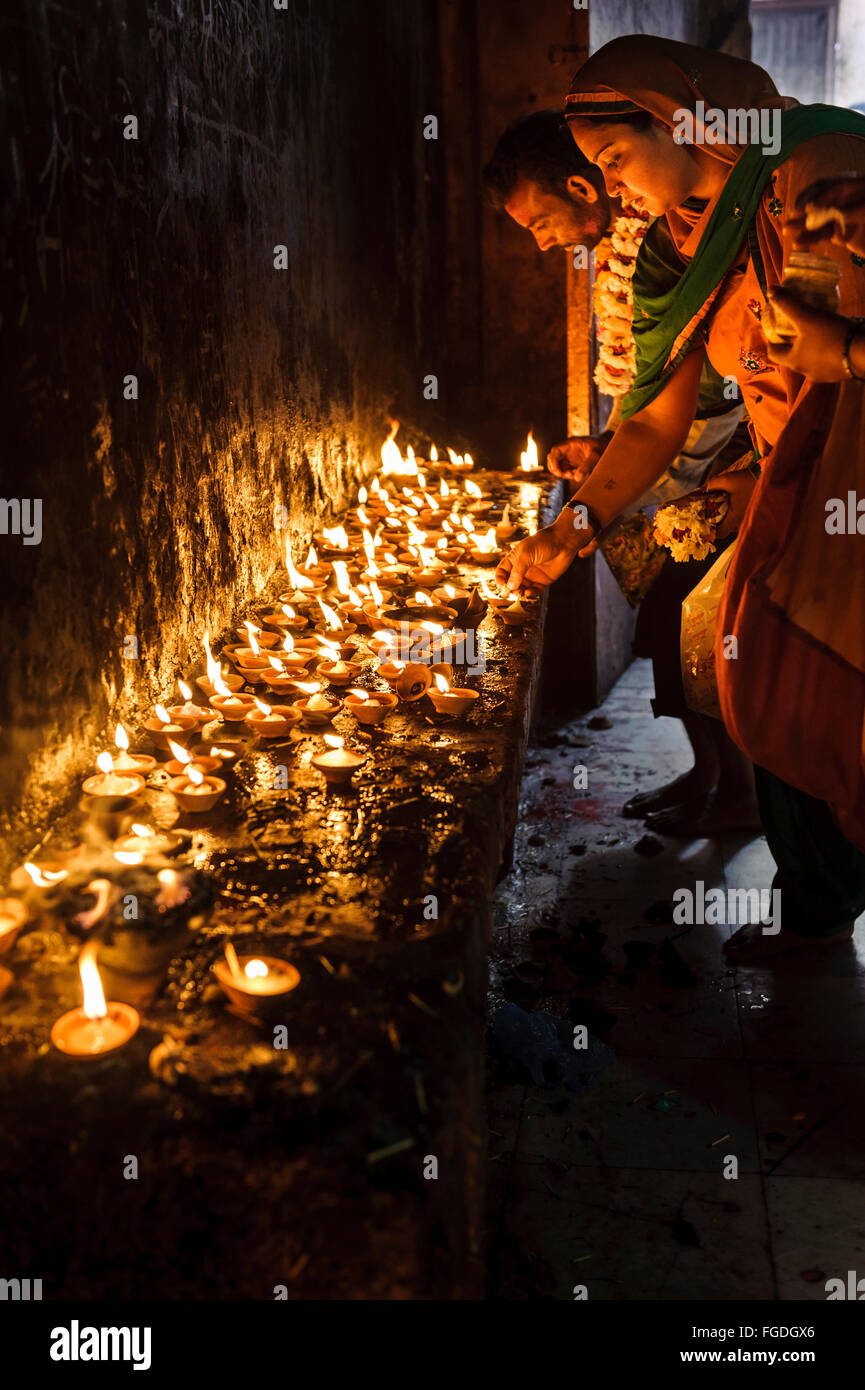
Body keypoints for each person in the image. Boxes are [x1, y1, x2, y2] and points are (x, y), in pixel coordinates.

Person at [496, 35, 865, 961]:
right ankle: (816, 894)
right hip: (792, 492)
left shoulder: (820, 178)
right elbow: (654, 421)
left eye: (615, 162)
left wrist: (849, 358)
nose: (612, 194)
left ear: (679, 119)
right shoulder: (676, 252)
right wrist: (577, 523)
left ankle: (821, 898)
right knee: (773, 686)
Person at [484, 110, 757, 832]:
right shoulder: (621, 253)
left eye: (540, 223)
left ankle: (742, 796)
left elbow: (686, 396)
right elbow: (647, 387)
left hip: (720, 458)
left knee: (704, 627)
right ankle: (709, 774)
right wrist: (604, 446)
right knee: (667, 628)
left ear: (584, 183)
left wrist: (618, 474)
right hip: (669, 452)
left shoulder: (667, 239)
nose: (542, 243)